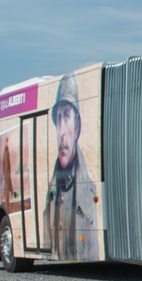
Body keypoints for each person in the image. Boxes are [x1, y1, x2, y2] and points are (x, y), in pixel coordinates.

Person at [41, 74, 100, 260]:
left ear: (77, 126)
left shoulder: (89, 191)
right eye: (58, 119)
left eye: (66, 117)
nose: (61, 131)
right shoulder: (51, 190)